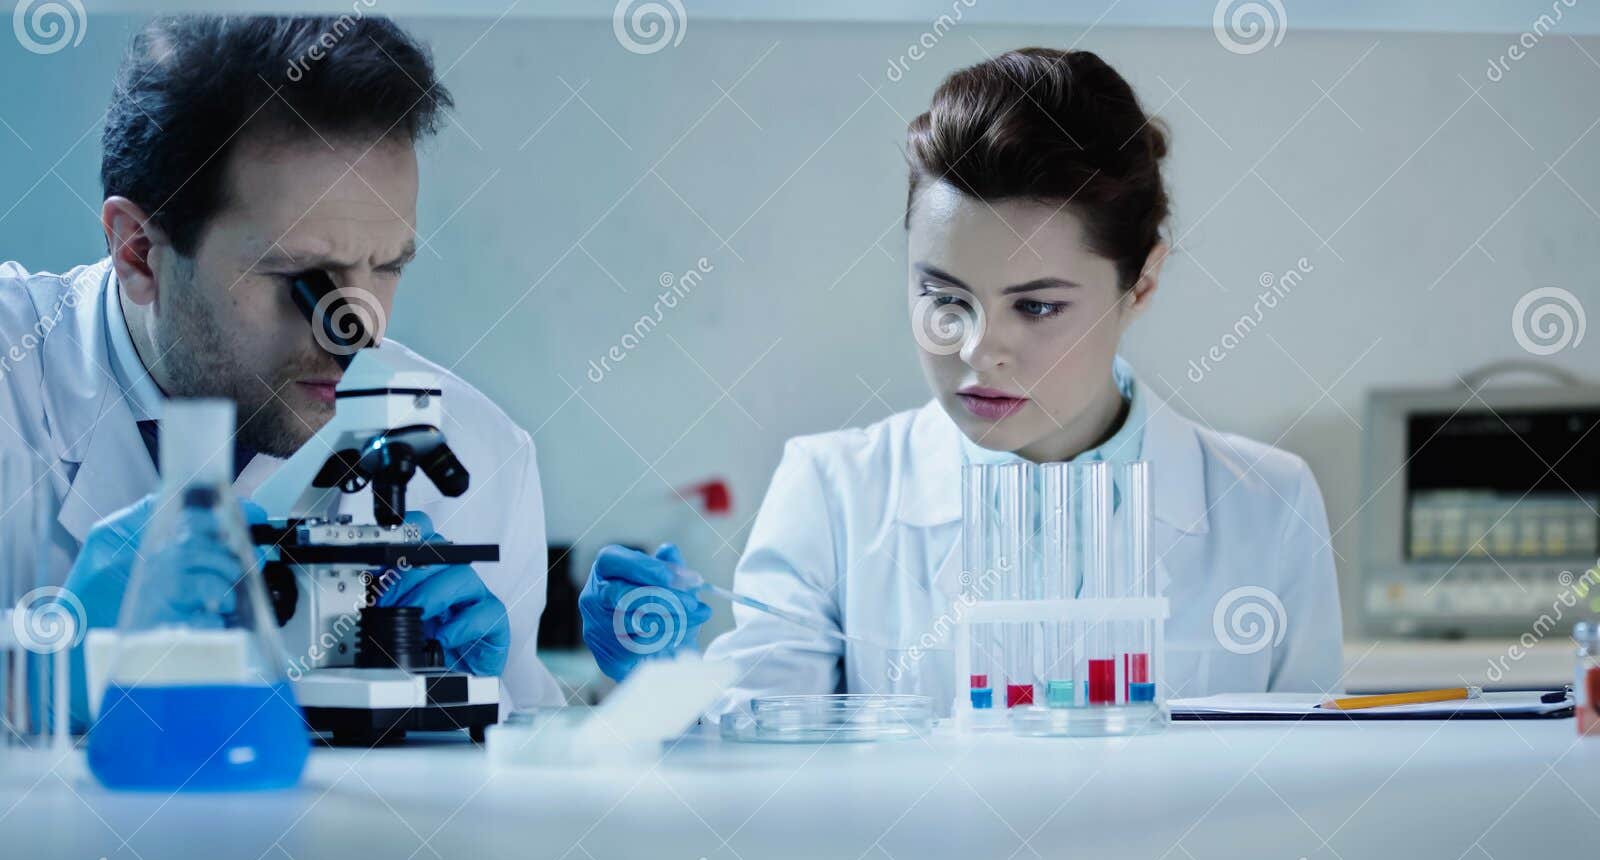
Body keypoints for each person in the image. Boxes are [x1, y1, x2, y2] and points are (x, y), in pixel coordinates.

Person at [579, 48, 1342, 713]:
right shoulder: (833, 492)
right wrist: (661, 688)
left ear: (1140, 283)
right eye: (944, 299)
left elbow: (1310, 790)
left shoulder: (1268, 505)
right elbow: (760, 766)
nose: (978, 352)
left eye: (1036, 306)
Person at [0, 16, 560, 725]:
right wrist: (39, 676)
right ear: (139, 251)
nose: (355, 331)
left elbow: (532, 770)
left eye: (386, 267)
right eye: (300, 276)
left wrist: (477, 714)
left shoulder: (479, 449)